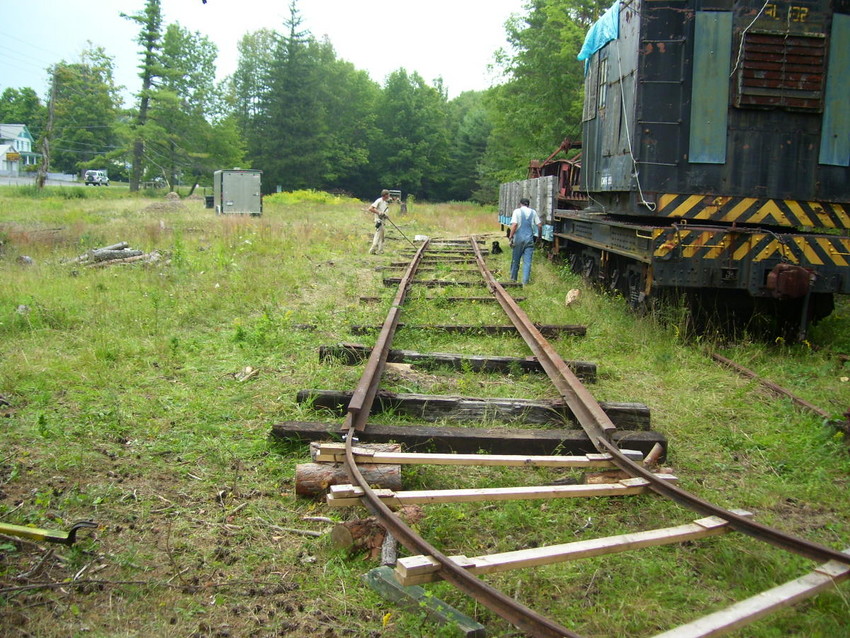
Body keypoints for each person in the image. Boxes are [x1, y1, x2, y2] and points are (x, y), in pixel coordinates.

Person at [508, 197, 542, 285]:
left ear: (520, 204)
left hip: (518, 239)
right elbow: (539, 225)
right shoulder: (533, 212)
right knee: (527, 262)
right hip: (529, 239)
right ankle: (525, 282)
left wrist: (510, 237)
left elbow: (514, 225)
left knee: (515, 260)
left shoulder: (517, 211)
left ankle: (513, 279)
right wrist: (539, 237)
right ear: (528, 204)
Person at [367, 189, 391, 255]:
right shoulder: (379, 200)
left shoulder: (385, 202)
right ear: (385, 195)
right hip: (379, 221)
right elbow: (370, 208)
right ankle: (372, 250)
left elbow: (383, 211)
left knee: (381, 236)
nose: (389, 195)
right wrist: (379, 212)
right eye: (388, 194)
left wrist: (385, 215)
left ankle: (380, 250)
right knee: (378, 236)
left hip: (383, 220)